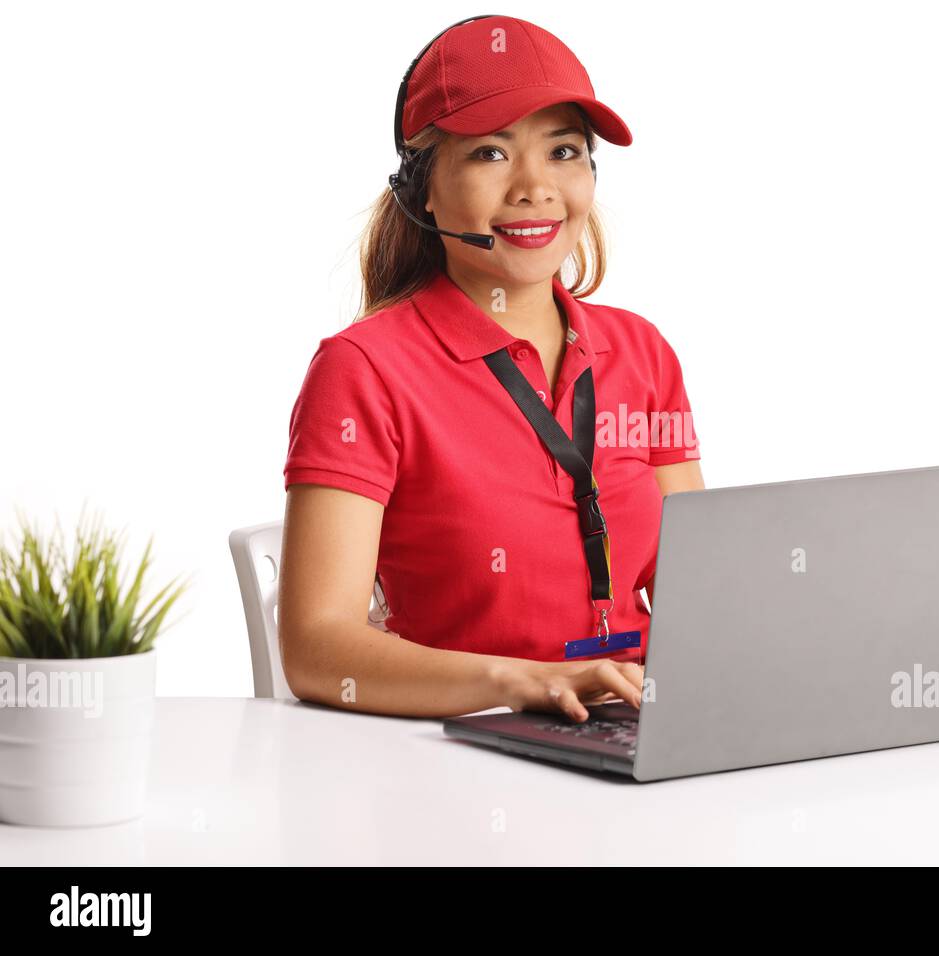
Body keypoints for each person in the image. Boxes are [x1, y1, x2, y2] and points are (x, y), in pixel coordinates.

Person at [278, 15, 703, 722]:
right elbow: (317, 648)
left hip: (639, 724)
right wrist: (525, 683)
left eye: (563, 151)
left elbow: (702, 587)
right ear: (424, 191)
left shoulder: (643, 351)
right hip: (465, 743)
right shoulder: (363, 370)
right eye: (489, 155)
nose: (535, 188)